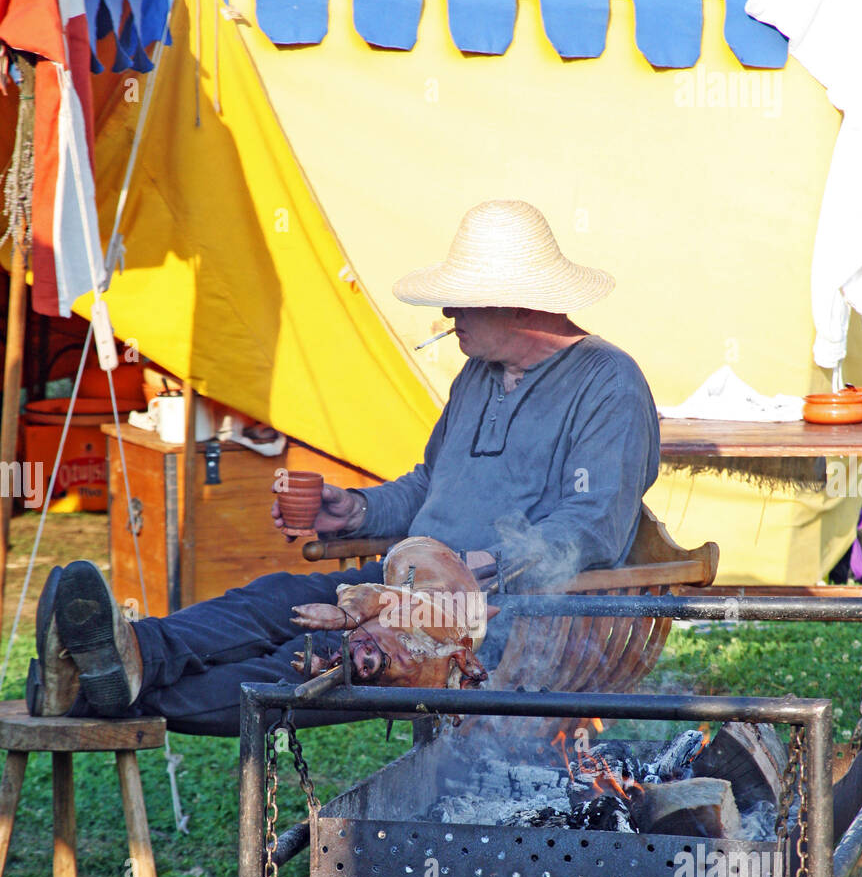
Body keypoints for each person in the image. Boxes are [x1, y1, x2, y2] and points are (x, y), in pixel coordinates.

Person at [28, 199, 661, 736]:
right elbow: (428, 484)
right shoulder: (479, 375)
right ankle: (133, 652)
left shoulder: (608, 382)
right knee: (270, 600)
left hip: (497, 615)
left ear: (518, 303)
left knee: (310, 661)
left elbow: (594, 525)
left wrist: (476, 567)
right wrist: (355, 508)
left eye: (460, 300)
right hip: (406, 581)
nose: (447, 315)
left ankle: (87, 687)